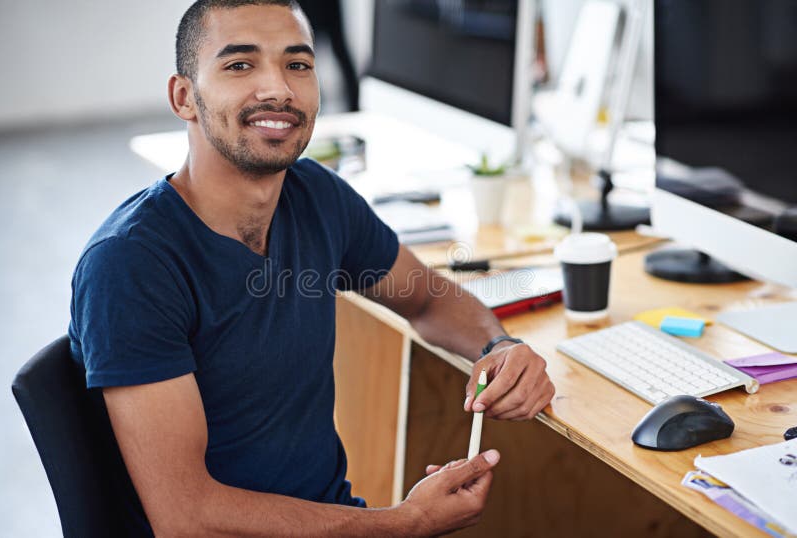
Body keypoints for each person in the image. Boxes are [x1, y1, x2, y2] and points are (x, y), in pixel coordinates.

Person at [68, 1, 555, 535]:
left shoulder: (315, 195)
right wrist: (405, 523)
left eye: (297, 64)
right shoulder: (130, 265)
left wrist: (498, 347)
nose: (277, 89)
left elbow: (426, 298)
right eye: (240, 65)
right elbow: (188, 519)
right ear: (185, 97)